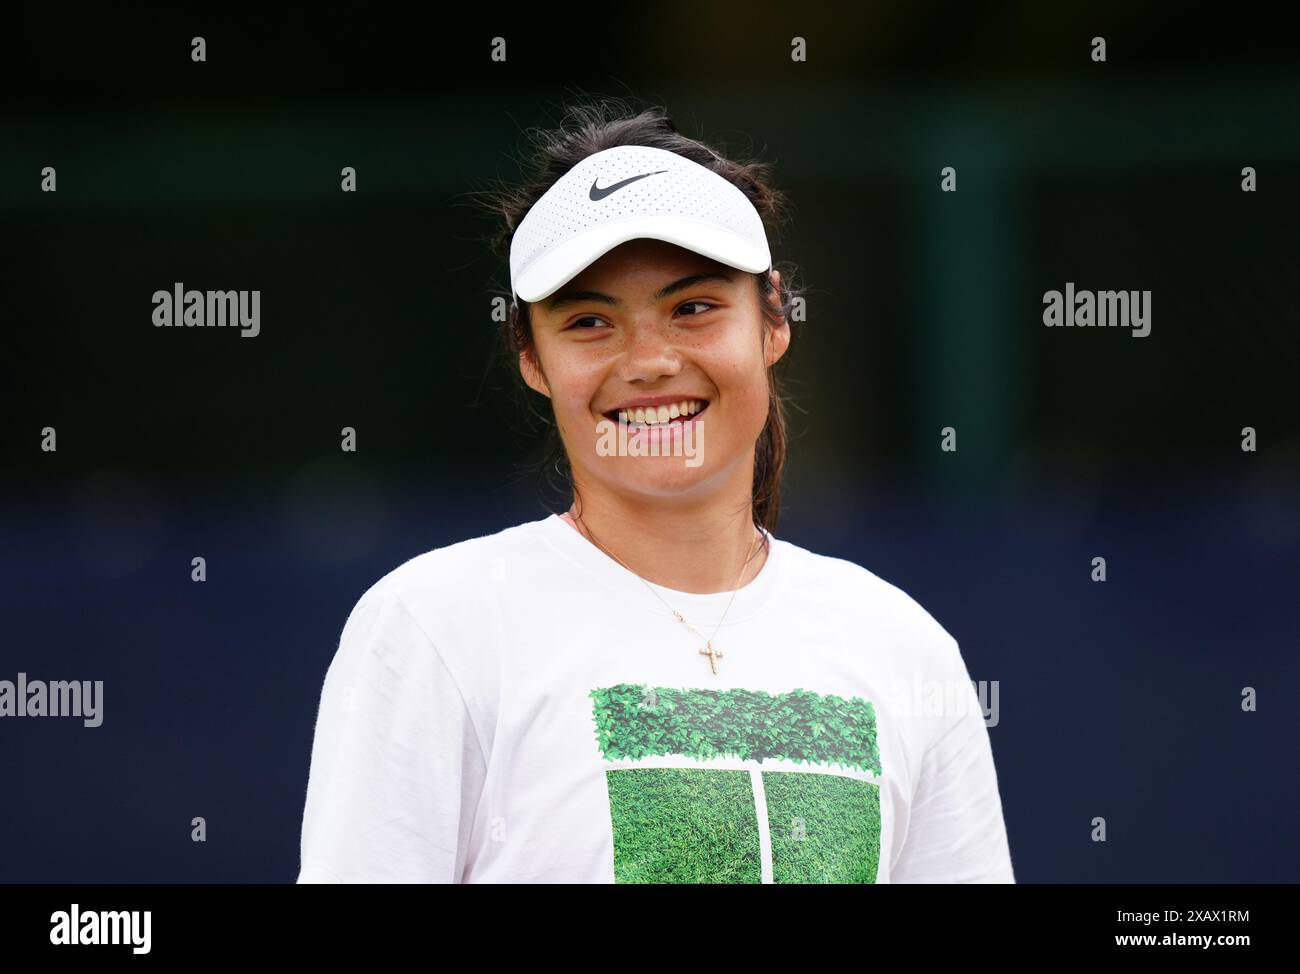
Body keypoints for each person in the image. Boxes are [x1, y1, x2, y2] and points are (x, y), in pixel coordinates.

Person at [296, 100, 1015, 884]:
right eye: (589, 322)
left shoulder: (902, 648)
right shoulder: (435, 628)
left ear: (773, 320)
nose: (648, 361)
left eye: (694, 308)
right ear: (530, 357)